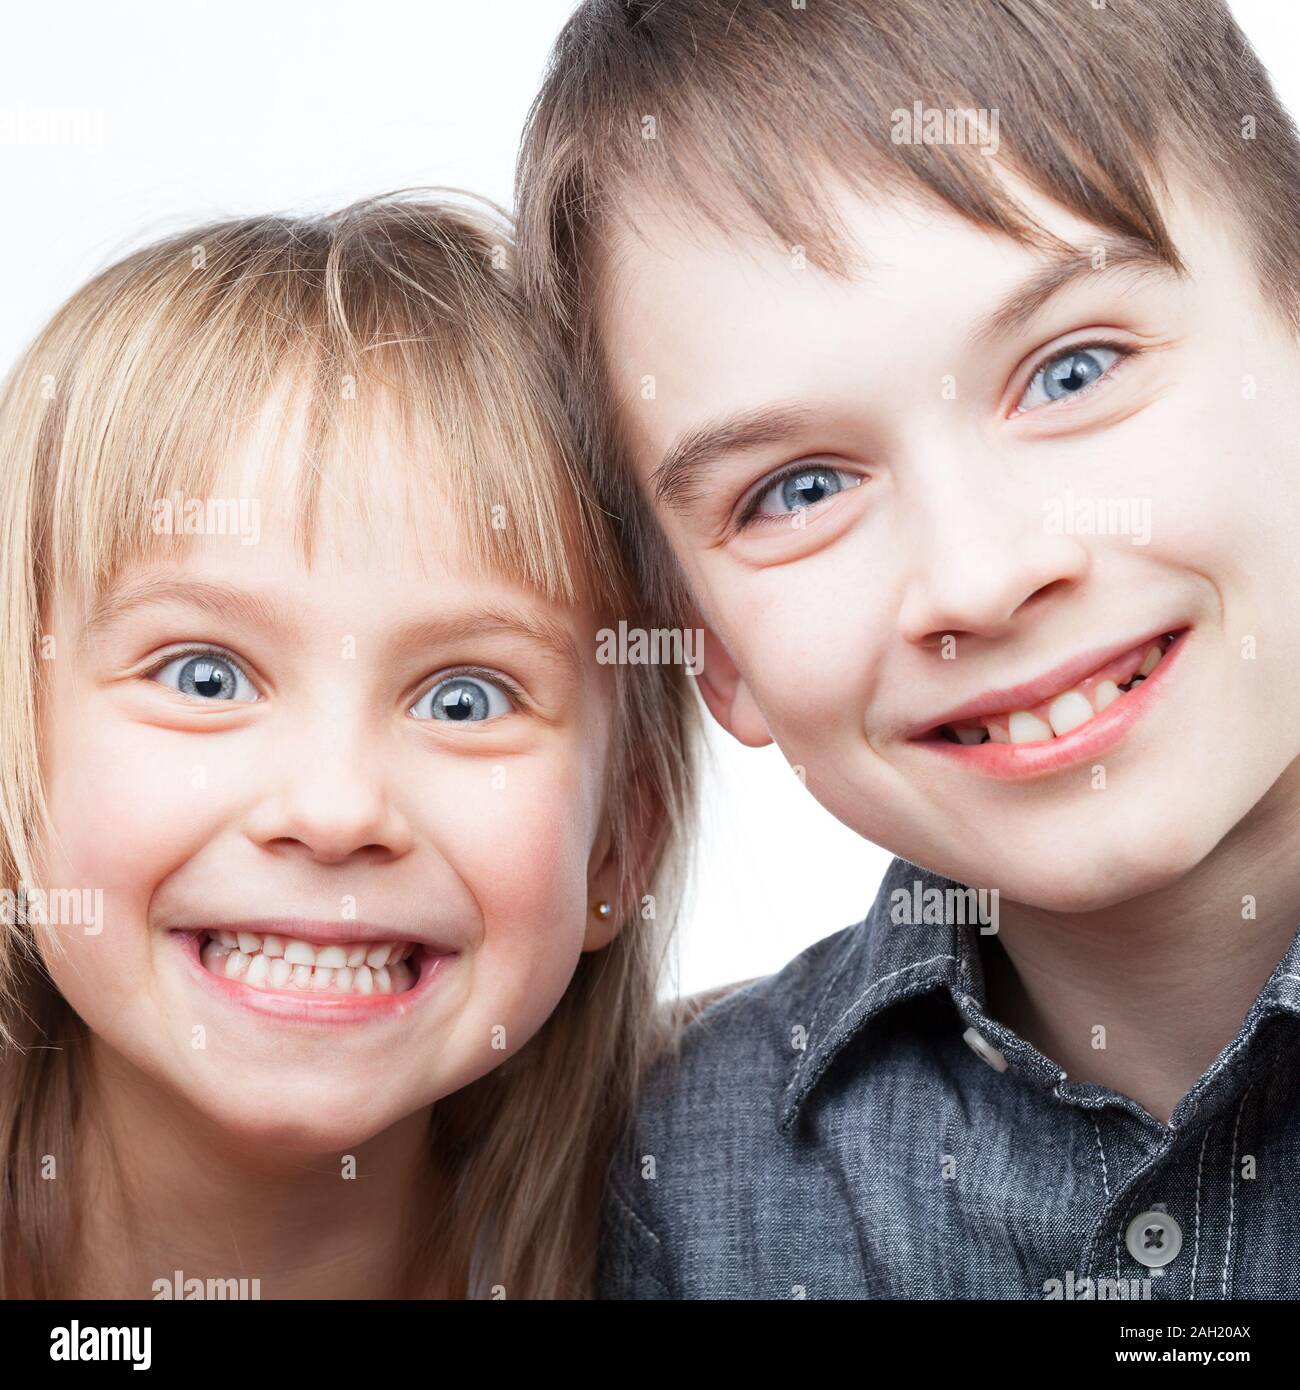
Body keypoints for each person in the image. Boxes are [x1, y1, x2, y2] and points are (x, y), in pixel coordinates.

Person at [516, 0, 1300, 1297]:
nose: (981, 577)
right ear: (709, 647)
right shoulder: (663, 1196)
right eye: (801, 491)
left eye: (1073, 370)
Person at [0, 192, 696, 1298]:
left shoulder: (761, 1216)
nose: (332, 810)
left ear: (621, 842)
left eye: (465, 699)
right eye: (205, 676)